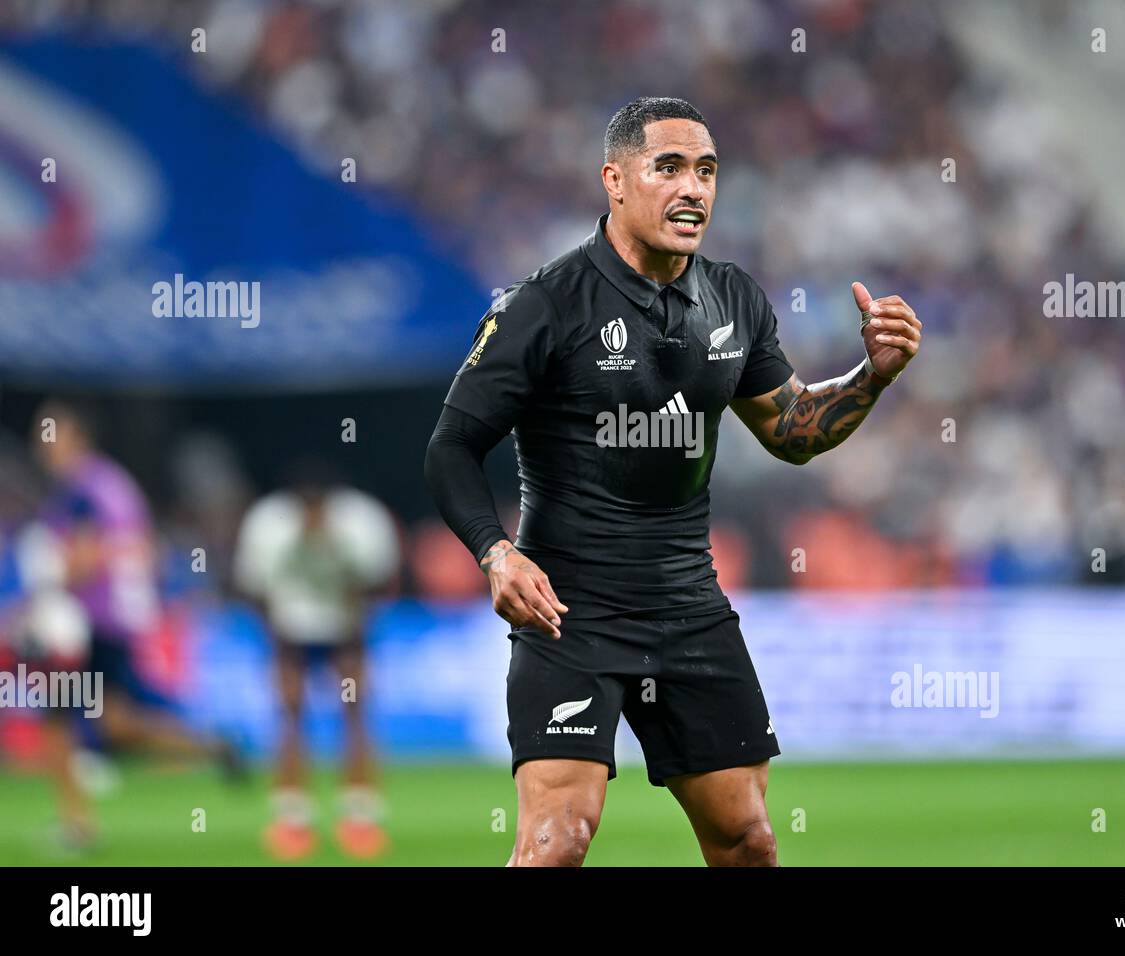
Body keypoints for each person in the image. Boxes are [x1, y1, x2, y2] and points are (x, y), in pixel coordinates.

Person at [425, 96, 921, 866]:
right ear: (614, 180)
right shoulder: (543, 306)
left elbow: (794, 432)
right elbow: (452, 444)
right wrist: (496, 553)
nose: (692, 188)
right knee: (557, 842)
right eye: (669, 168)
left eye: (707, 171)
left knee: (749, 841)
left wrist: (873, 376)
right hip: (569, 615)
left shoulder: (734, 298)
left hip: (689, 607)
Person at [30, 399, 241, 778]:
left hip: (99, 618)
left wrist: (42, 585)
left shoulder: (85, 489)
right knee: (106, 717)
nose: (42, 444)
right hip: (112, 614)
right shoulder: (104, 482)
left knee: (77, 711)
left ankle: (78, 806)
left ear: (77, 437)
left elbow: (86, 556)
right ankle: (212, 748)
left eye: (50, 434)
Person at [233, 465, 400, 860]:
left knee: (356, 712)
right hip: (290, 630)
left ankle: (360, 816)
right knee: (290, 713)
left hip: (345, 630)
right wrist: (274, 633)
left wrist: (357, 617)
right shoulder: (267, 525)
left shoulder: (362, 521)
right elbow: (253, 587)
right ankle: (292, 818)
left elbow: (380, 581)